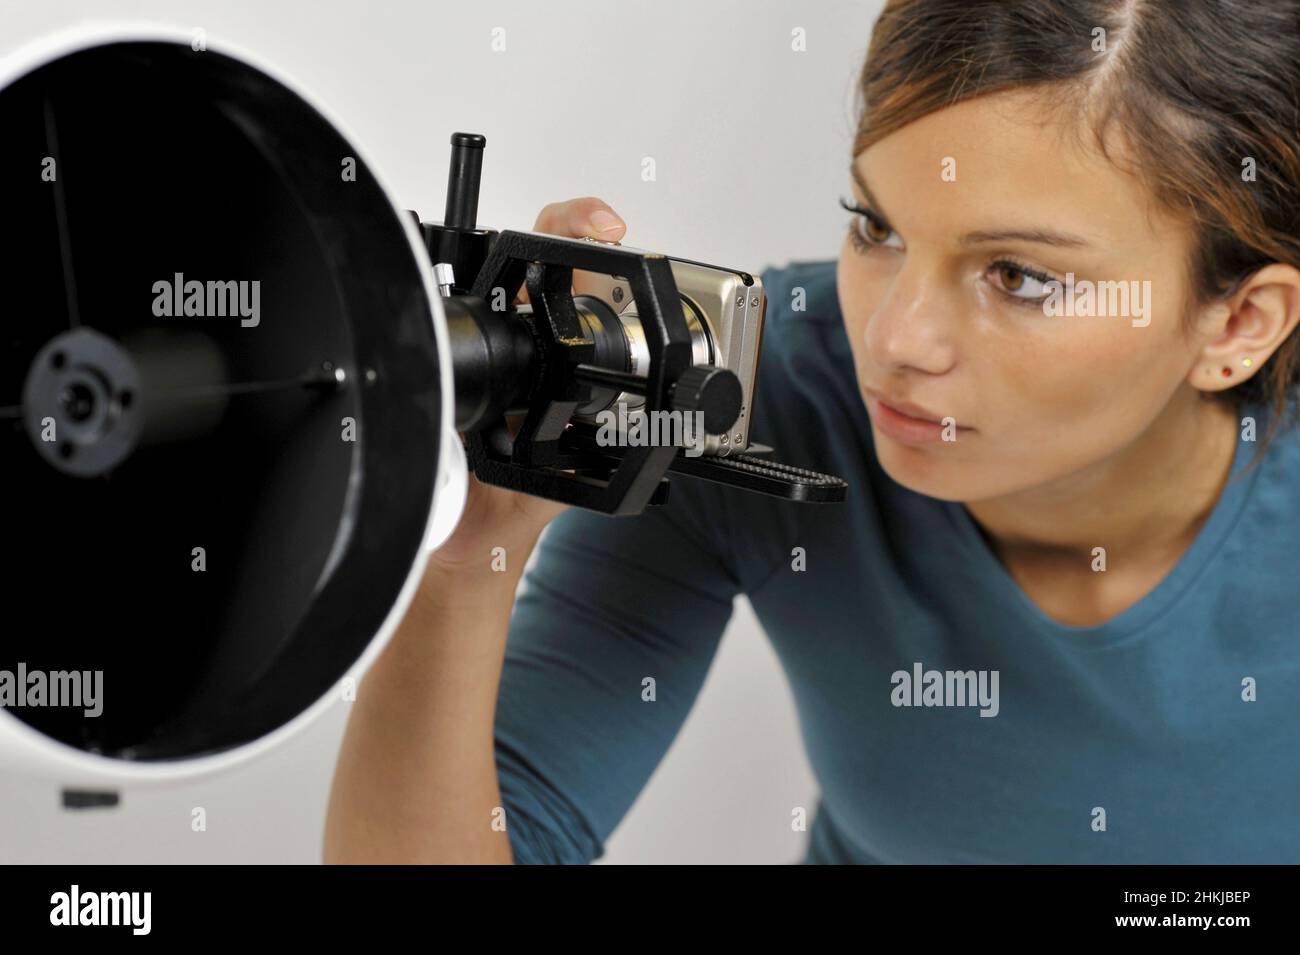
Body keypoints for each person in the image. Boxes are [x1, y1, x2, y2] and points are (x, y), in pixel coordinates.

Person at [323, 0, 1300, 864]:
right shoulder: (755, 401)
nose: (891, 339)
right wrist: (467, 564)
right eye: (875, 228)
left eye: (1019, 276)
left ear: (1239, 324)